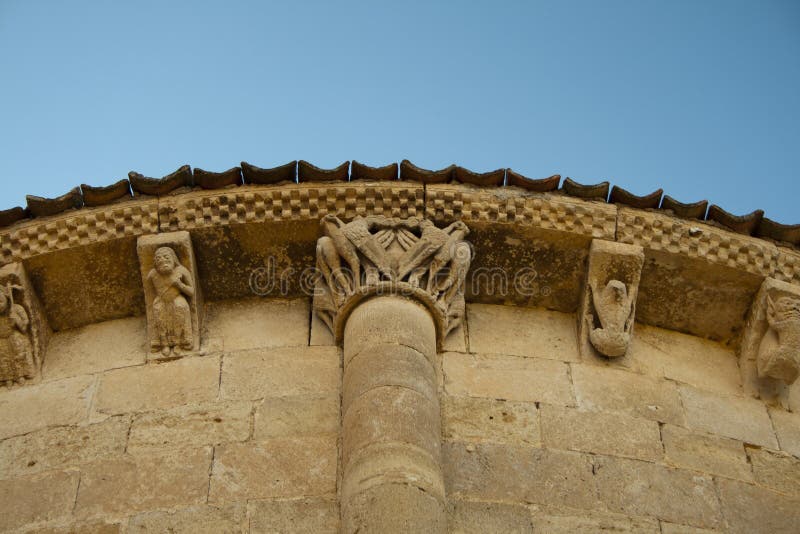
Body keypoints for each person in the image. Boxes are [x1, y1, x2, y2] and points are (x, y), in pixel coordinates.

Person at [147, 246, 194, 356]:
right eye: (158, 259)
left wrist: (179, 285)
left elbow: (191, 291)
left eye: (166, 257)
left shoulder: (181, 270)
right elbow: (148, 293)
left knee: (180, 307)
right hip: (161, 300)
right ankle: (164, 343)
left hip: (176, 298)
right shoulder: (153, 274)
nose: (162, 260)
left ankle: (179, 342)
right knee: (159, 314)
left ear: (174, 259)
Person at [0, 284, 34, 385]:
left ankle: (21, 375)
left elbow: (24, 328)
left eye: (0, 301)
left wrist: (16, 320)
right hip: (1, 341)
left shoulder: (16, 309)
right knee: (3, 360)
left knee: (19, 355)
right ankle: (7, 378)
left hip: (15, 338)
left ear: (7, 298)